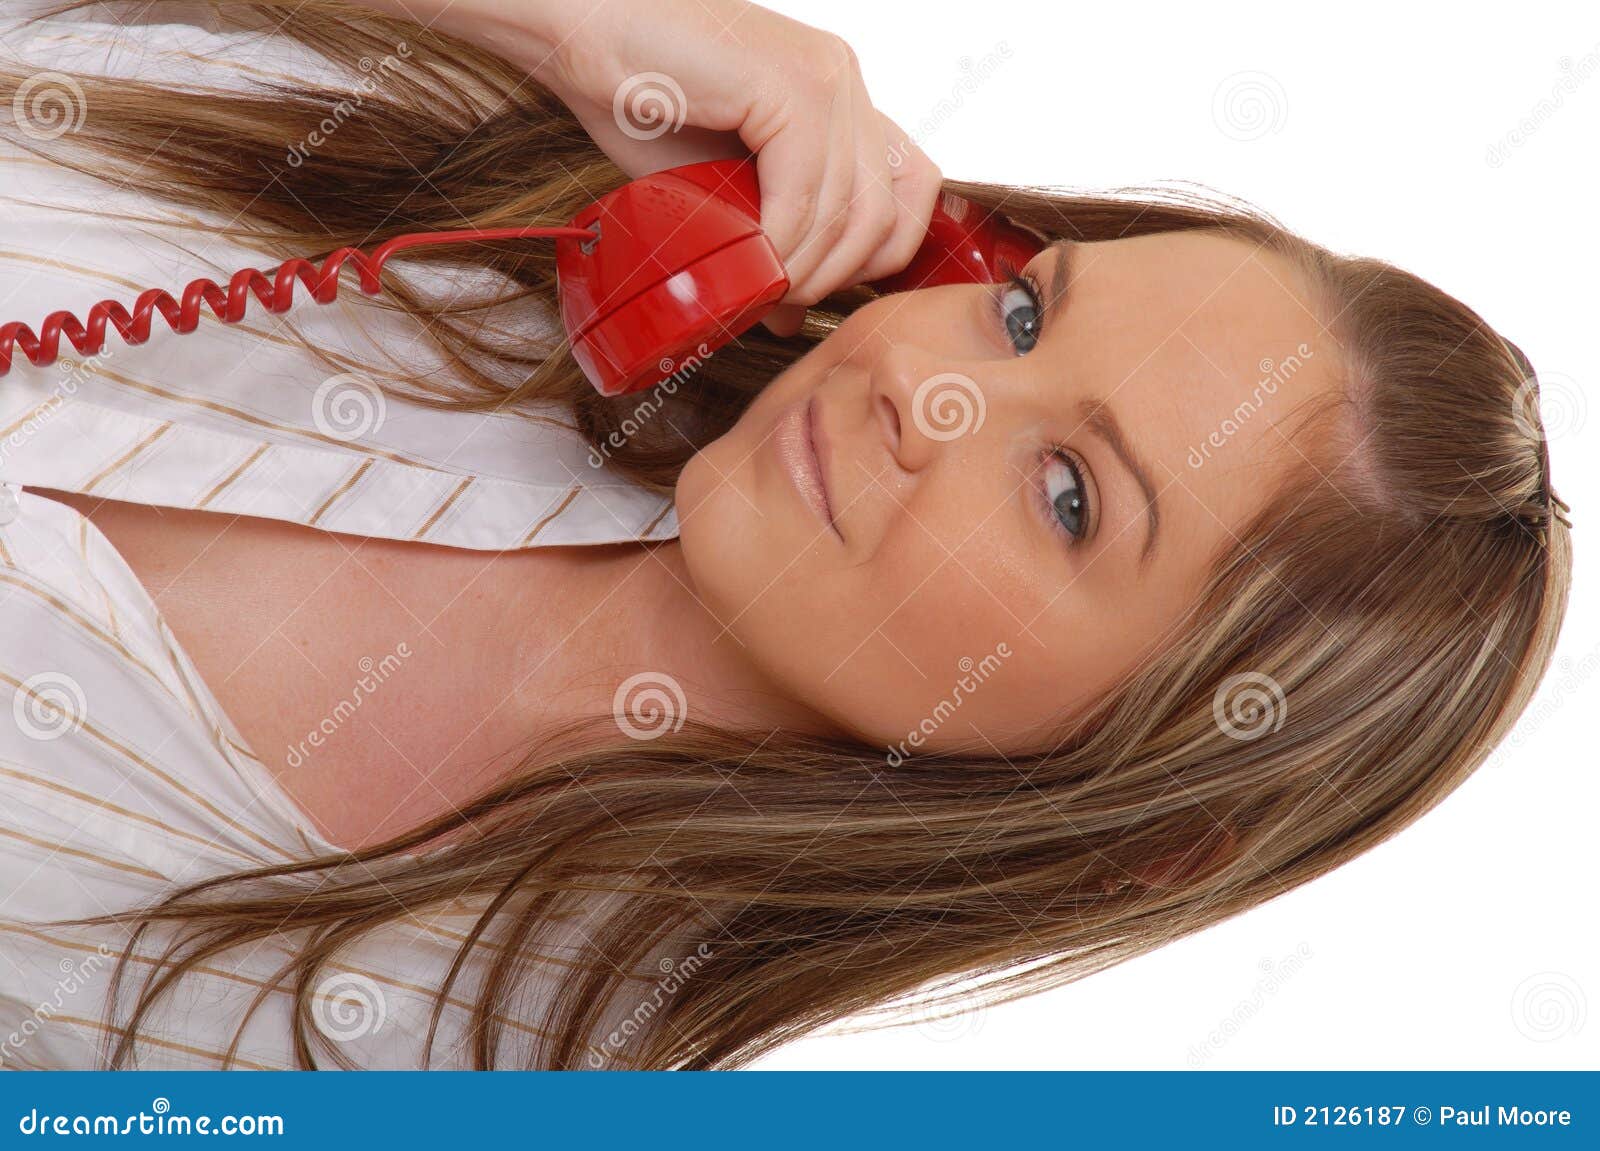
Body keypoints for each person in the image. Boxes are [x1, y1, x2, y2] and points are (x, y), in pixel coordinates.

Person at [0, 0, 1571, 1070]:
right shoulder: (470, 185)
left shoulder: (450, 1060)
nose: (926, 385)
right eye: (1022, 310)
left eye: (1069, 493)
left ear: (1140, 812)